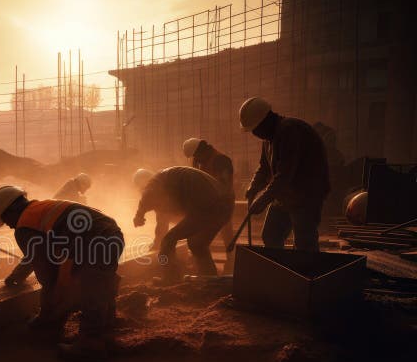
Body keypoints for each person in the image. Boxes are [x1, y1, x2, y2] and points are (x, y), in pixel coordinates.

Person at [0, 185, 124, 362]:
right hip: (112, 233)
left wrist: (47, 314)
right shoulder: (40, 209)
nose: (8, 225)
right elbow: (36, 254)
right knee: (100, 280)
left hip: (93, 240)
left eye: (5, 220)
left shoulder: (24, 226)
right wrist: (18, 275)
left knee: (89, 286)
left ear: (10, 210)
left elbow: (46, 274)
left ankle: (90, 345)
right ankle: (107, 327)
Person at [240, 97, 330, 251]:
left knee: (304, 242)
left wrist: (263, 200)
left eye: (255, 129)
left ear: (265, 120)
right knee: (271, 235)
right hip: (285, 194)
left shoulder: (289, 130)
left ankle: (307, 266)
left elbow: (284, 175)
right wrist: (253, 187)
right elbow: (264, 168)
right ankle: (277, 265)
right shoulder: (269, 138)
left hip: (306, 195)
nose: (254, 133)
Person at [133, 166, 233, 283]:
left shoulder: (154, 184)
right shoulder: (165, 182)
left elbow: (147, 199)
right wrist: (157, 241)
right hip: (225, 205)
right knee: (197, 245)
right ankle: (210, 280)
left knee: (168, 240)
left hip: (206, 205)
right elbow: (162, 220)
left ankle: (169, 277)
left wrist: (139, 216)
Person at [182, 138, 236, 269]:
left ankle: (232, 262)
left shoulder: (221, 161)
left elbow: (224, 185)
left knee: (226, 233)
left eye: (196, 156)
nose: (196, 159)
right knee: (201, 233)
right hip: (208, 203)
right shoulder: (202, 160)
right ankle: (200, 261)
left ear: (201, 150)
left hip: (223, 203)